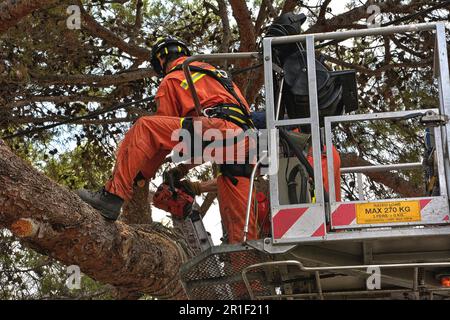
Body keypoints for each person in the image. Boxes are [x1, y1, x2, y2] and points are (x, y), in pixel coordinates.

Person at [76, 36, 258, 244]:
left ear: (161, 61)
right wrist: (181, 169)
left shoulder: (174, 77)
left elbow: (160, 138)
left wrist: (141, 175)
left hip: (219, 129)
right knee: (242, 235)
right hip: (245, 144)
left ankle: (111, 195)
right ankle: (250, 271)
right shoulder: (220, 77)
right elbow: (222, 138)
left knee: (145, 126)